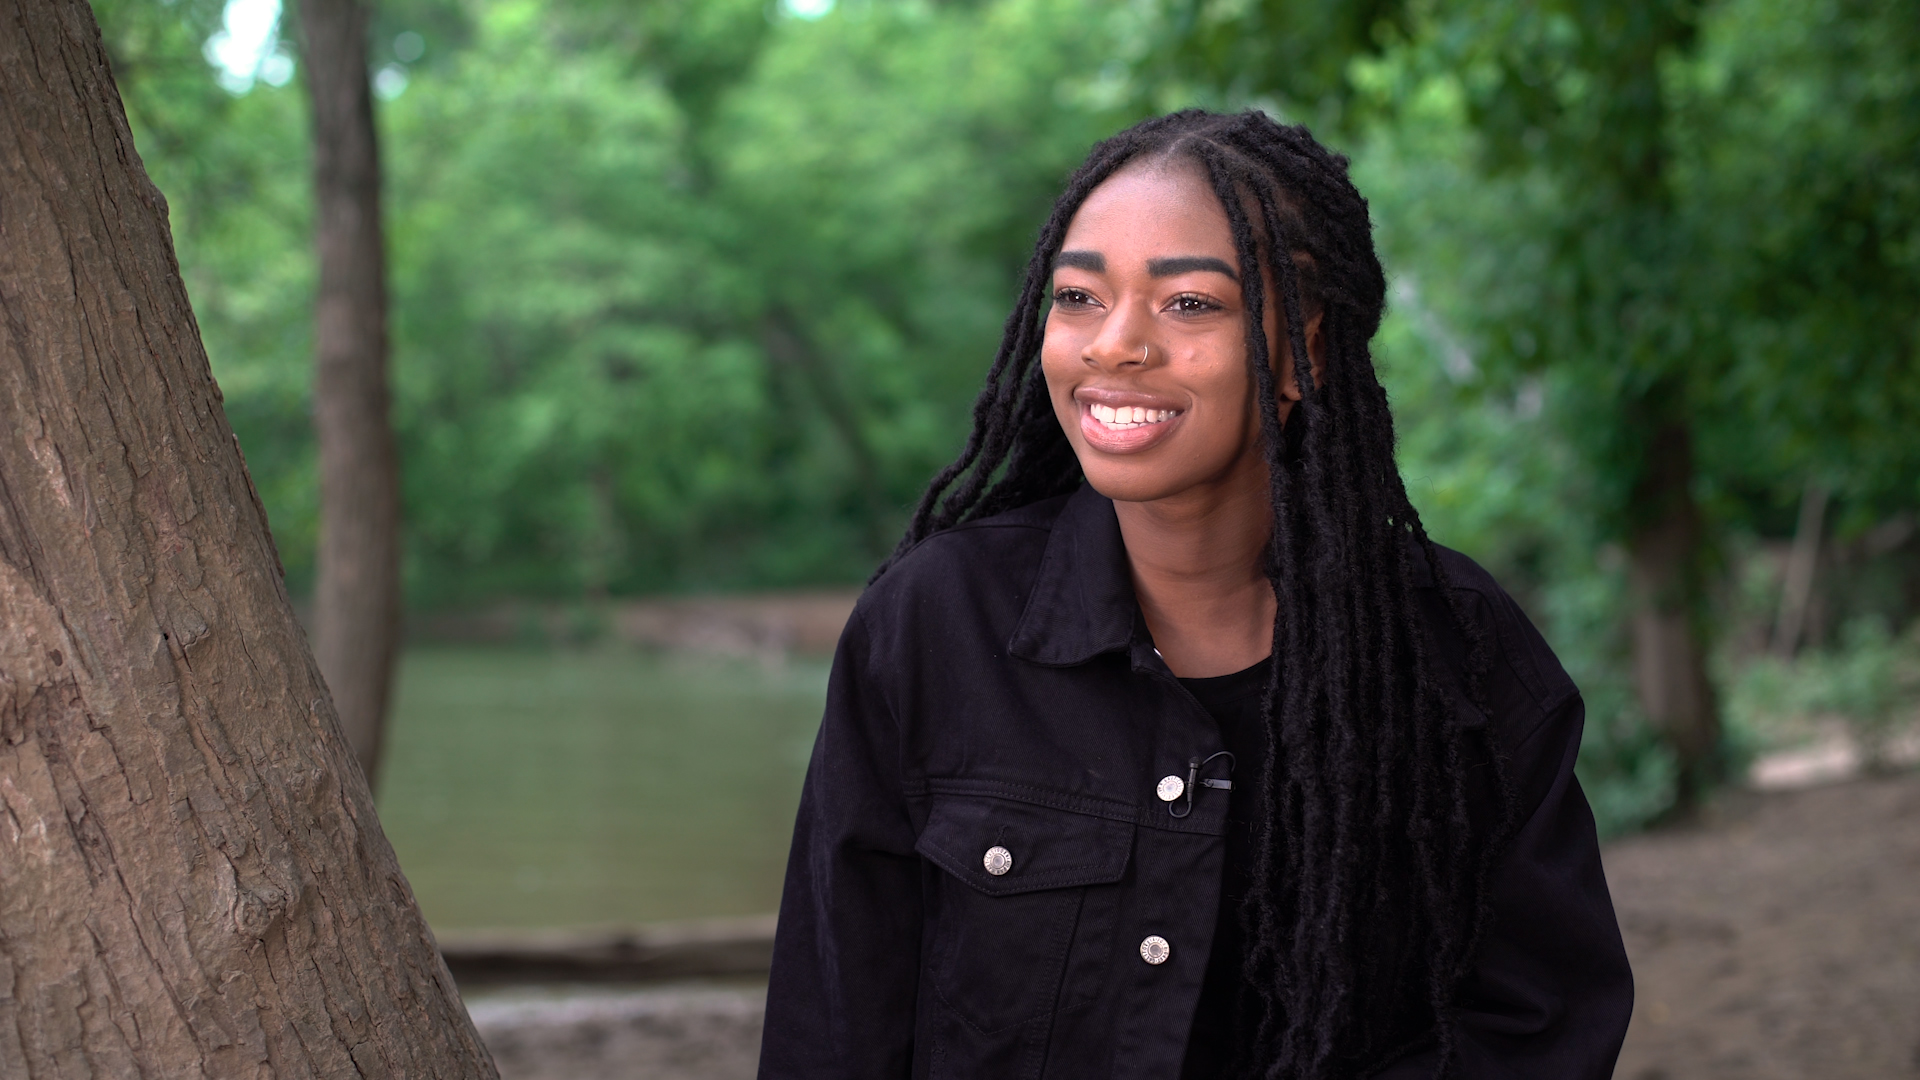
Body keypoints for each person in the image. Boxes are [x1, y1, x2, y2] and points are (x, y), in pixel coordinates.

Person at [758, 109, 1632, 1079]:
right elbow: (831, 1030)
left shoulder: (1464, 663)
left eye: (1189, 305)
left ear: (1302, 353)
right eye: (1081, 296)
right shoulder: (932, 628)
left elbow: (1539, 1034)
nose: (1117, 344)